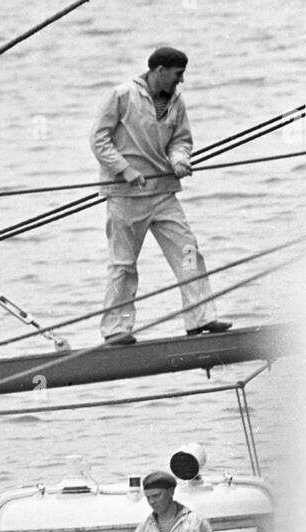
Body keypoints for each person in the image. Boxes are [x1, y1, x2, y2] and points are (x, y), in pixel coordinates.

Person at [90, 45, 231, 345]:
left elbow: (180, 140)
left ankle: (201, 319)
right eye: (177, 75)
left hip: (163, 192)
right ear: (159, 71)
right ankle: (116, 330)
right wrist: (125, 169)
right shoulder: (122, 95)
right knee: (123, 265)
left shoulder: (177, 102)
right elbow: (98, 140)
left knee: (189, 252)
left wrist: (180, 159)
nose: (180, 82)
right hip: (126, 195)